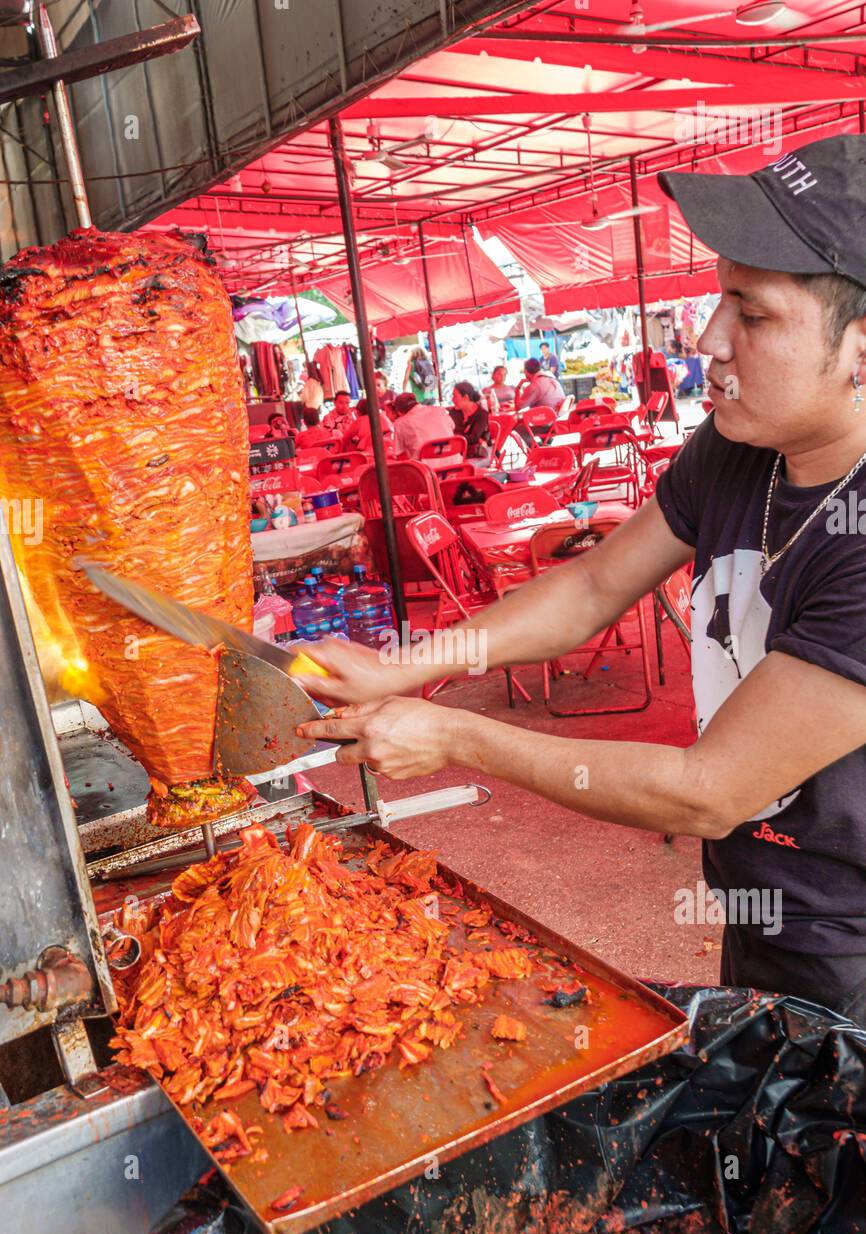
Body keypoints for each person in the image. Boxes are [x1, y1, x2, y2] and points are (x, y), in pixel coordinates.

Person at [294, 133, 866, 1028]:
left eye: (751, 315)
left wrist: (460, 739)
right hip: (769, 912)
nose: (707, 340)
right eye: (718, 300)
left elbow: (709, 790)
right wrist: (408, 665)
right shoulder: (738, 447)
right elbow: (595, 586)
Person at [391, 391, 456, 459]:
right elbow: (452, 427)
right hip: (457, 465)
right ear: (416, 402)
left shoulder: (401, 423)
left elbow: (400, 455)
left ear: (399, 412)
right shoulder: (439, 410)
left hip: (426, 468)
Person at [449, 380, 491, 459]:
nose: (452, 399)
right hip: (458, 451)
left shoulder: (481, 414)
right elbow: (449, 432)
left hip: (479, 453)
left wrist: (456, 438)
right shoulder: (454, 412)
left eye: (455, 396)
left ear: (465, 397)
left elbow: (474, 437)